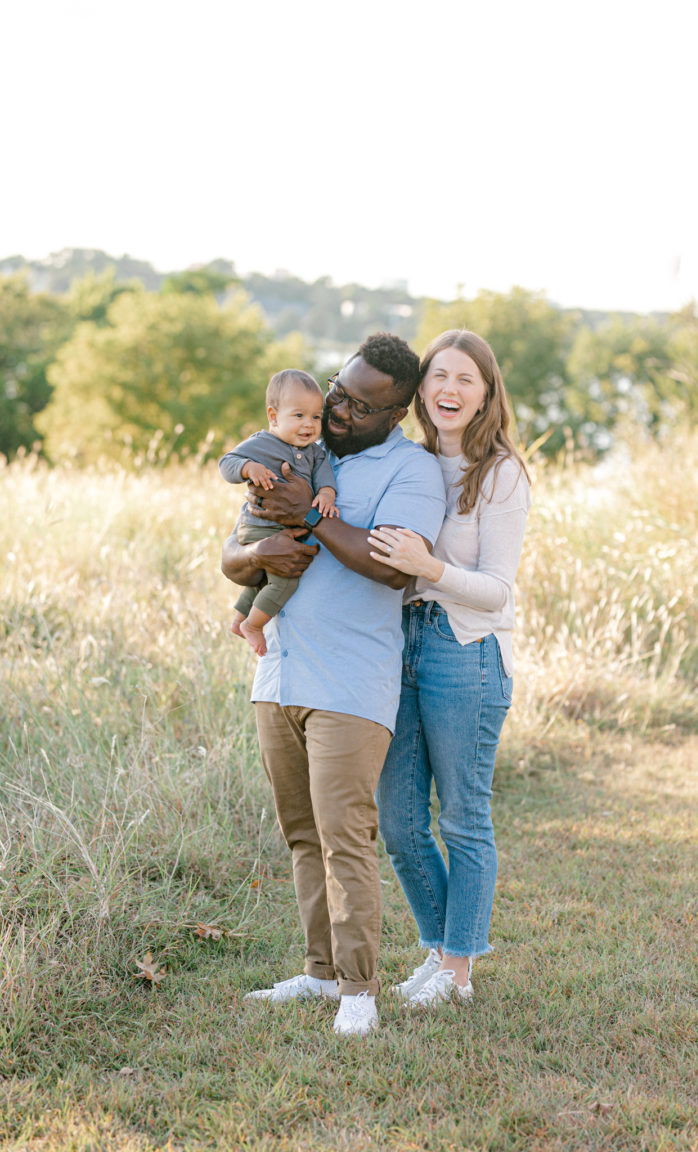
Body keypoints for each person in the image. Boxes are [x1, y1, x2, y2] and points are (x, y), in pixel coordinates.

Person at [220, 333, 446, 1037]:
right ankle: (319, 974)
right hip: (278, 669)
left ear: (396, 413)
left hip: (350, 680)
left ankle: (358, 991)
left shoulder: (412, 472)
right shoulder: (288, 452)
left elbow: (392, 568)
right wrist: (257, 548)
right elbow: (232, 553)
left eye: (358, 404)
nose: (338, 408)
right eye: (339, 391)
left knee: (345, 835)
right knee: (300, 835)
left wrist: (312, 513)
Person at [368, 329, 531, 1007]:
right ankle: (437, 952)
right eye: (439, 376)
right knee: (400, 818)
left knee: (463, 817)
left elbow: (499, 591)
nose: (449, 390)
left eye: (466, 378)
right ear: (420, 388)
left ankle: (459, 971)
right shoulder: (403, 462)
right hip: (397, 646)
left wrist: (429, 569)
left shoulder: (499, 473)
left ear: (487, 392)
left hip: (466, 652)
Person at [219, 369, 338, 656]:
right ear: (273, 417)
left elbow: (326, 480)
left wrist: (326, 494)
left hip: (281, 531)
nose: (308, 425)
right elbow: (227, 463)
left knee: (268, 575)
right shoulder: (262, 443)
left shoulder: (315, 453)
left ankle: (239, 618)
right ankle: (254, 626)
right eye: (298, 416)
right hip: (259, 526)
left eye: (315, 417)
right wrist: (249, 467)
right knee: (286, 580)